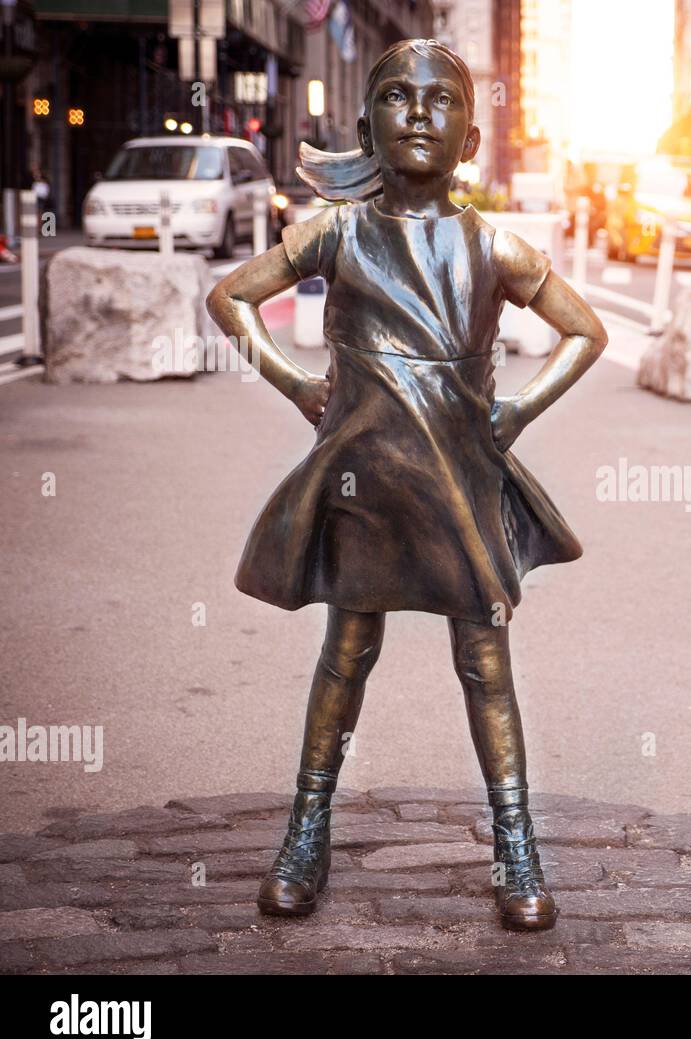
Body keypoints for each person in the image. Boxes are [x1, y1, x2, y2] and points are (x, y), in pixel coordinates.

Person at [206, 39, 609, 932]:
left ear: (471, 137)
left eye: (441, 101)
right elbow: (231, 296)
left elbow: (586, 332)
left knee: (486, 662)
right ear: (367, 126)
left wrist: (519, 413)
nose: (419, 113)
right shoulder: (339, 232)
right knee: (346, 654)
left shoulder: (493, 246)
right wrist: (295, 383)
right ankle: (305, 834)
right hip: (362, 484)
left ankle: (515, 846)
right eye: (396, 97)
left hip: (460, 485)